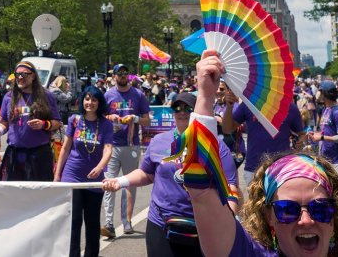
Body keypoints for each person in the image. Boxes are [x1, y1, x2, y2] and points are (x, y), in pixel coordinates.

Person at [181, 52, 338, 257]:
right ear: (269, 216)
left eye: (321, 209)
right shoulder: (252, 254)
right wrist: (206, 96)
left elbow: (301, 133)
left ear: (335, 214)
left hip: (287, 170)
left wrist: (299, 156)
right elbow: (201, 188)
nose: (306, 220)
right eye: (287, 210)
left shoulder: (290, 108)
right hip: (258, 173)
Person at [101, 90, 239, 256]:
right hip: (160, 223)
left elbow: (231, 186)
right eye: (177, 108)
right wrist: (120, 181)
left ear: (196, 112)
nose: (181, 112)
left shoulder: (216, 146)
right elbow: (147, 173)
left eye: (187, 108)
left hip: (203, 225)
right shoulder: (159, 141)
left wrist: (228, 219)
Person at [55, 85, 114, 257]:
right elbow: (65, 149)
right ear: (82, 101)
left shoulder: (105, 124)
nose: (90, 102)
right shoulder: (74, 120)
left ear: (99, 102)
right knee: (73, 222)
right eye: (87, 99)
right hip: (72, 176)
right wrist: (58, 175)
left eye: (94, 99)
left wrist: (99, 167)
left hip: (94, 180)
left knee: (92, 222)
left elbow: (108, 149)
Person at [0, 60, 62, 182]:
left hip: (39, 153)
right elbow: (5, 123)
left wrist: (44, 124)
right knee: (13, 193)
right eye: (17, 74)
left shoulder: (46, 95)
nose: (20, 77)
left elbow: (57, 122)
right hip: (15, 153)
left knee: (38, 193)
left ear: (33, 76)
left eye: (24, 74)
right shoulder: (9, 97)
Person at [222, 81, 304, 187]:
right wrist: (229, 107)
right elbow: (227, 129)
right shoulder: (248, 104)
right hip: (254, 168)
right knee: (256, 203)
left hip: (282, 168)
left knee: (280, 203)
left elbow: (301, 133)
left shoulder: (290, 107)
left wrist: (300, 145)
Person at [102, 63, 151, 238]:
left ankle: (127, 221)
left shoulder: (138, 95)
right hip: (112, 145)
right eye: (119, 73)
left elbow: (147, 120)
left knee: (129, 185)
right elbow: (99, 118)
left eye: (125, 73)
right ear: (114, 76)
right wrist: (110, 118)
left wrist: (135, 118)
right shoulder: (108, 95)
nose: (122, 76)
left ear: (128, 76)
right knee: (109, 183)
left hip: (131, 145)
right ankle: (108, 223)